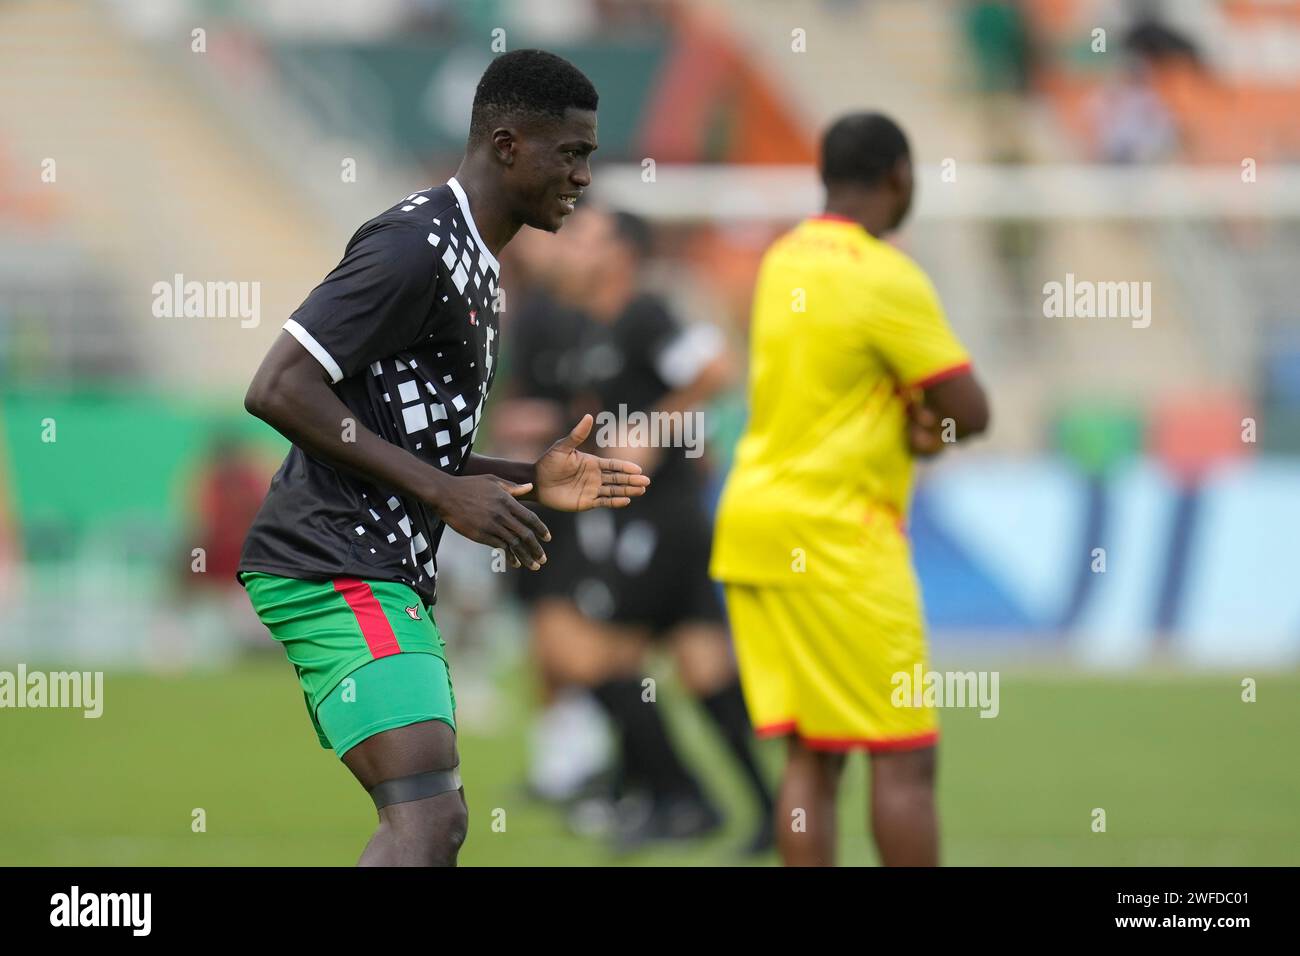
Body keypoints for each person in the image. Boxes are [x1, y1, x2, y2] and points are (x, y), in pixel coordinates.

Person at [236, 49, 650, 867]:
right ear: (506, 144)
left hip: (369, 563)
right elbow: (278, 387)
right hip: (332, 560)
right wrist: (446, 495)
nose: (584, 177)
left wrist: (526, 478)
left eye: (589, 156)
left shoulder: (477, 260)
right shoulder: (414, 244)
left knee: (437, 821)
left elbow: (409, 434)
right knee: (426, 823)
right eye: (570, 153)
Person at [710, 113, 990, 866]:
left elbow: (835, 390)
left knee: (810, 753)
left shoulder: (782, 260)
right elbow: (973, 412)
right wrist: (935, 427)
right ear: (900, 174)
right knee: (902, 757)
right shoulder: (884, 273)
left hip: (753, 525)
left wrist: (911, 421)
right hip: (838, 537)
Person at [506, 207, 776, 852]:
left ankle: (672, 797)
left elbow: (718, 370)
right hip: (643, 518)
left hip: (661, 519)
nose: (568, 246)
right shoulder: (587, 328)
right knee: (702, 664)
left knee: (589, 654)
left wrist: (657, 427)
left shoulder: (645, 313)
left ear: (622, 254)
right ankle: (761, 808)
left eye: (587, 237)